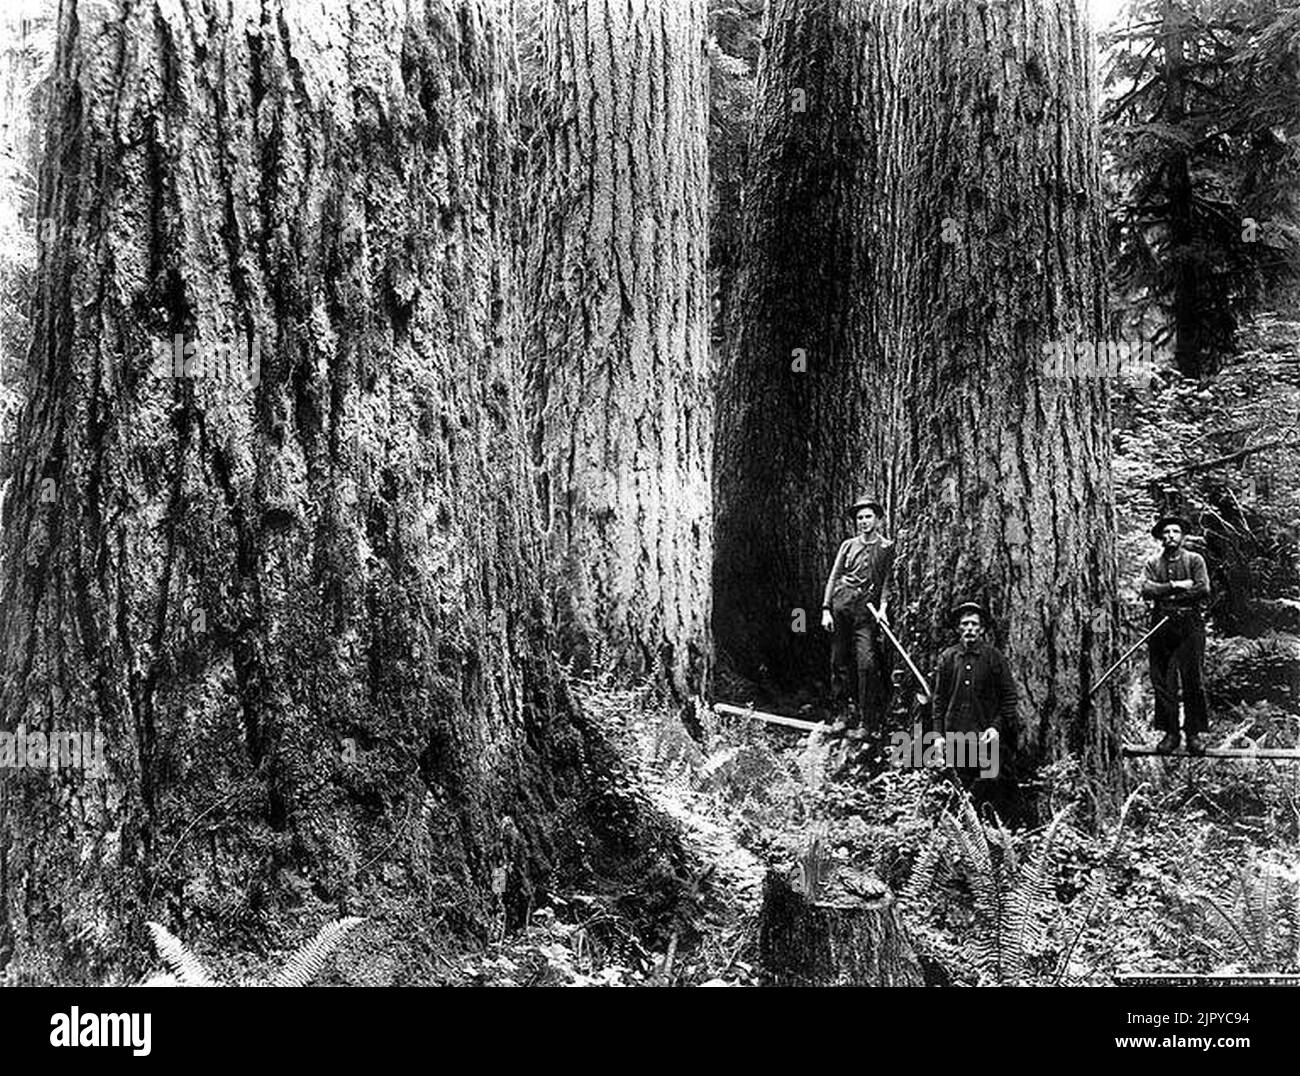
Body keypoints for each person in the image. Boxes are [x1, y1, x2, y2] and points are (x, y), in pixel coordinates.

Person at [821, 496, 894, 737]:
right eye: (860, 518)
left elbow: (886, 581)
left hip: (867, 611)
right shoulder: (848, 545)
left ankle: (866, 720)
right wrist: (826, 609)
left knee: (867, 663)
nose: (863, 521)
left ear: (878, 519)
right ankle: (842, 713)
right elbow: (834, 576)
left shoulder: (886, 547)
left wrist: (883, 607)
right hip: (842, 605)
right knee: (838, 660)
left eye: (868, 517)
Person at [927, 602, 1017, 789]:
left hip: (985, 736)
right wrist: (938, 735)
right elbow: (939, 700)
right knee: (958, 787)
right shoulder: (948, 658)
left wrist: (995, 728)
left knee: (989, 786)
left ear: (982, 629)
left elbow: (1009, 697)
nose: (970, 629)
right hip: (955, 736)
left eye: (974, 624)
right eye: (965, 624)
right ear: (959, 628)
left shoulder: (994, 657)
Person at [1140, 514, 1211, 755]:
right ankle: (1171, 733)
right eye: (1166, 532)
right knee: (1163, 681)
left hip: (1190, 624)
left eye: (1175, 532)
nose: (1170, 536)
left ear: (1182, 536)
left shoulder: (1194, 560)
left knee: (1193, 679)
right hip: (1161, 624)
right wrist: (1175, 586)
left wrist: (1169, 596)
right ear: (1161, 537)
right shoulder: (1153, 563)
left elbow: (1203, 588)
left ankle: (1194, 734)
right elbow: (1147, 590)